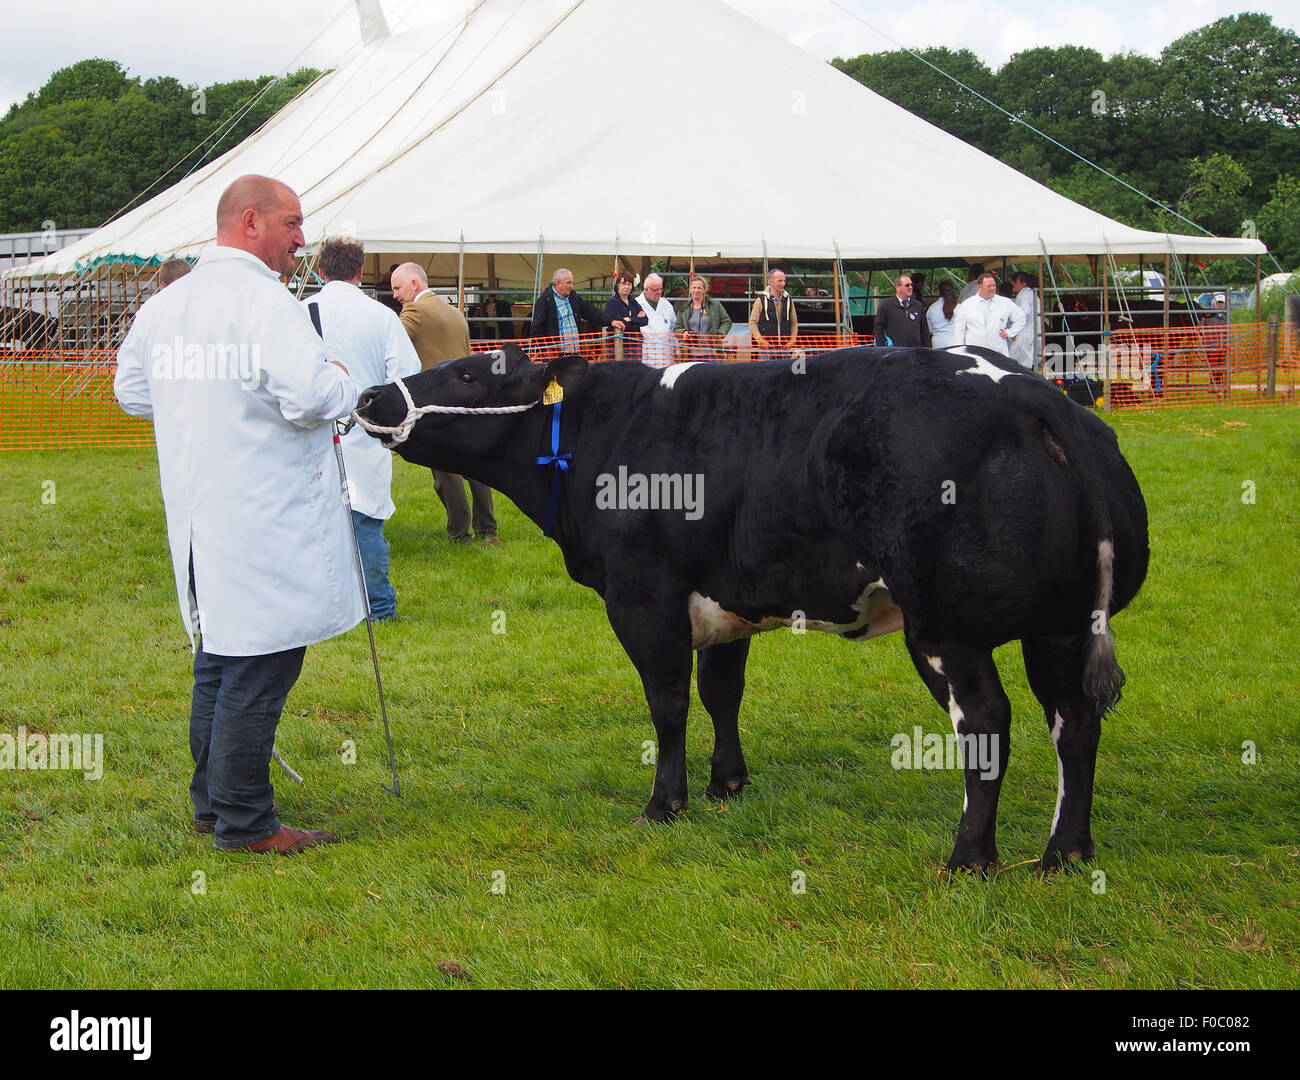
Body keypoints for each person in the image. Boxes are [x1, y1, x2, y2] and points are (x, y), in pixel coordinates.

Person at [114, 174, 362, 855]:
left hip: (201, 516)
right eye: (292, 223)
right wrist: (342, 375)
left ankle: (212, 803)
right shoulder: (263, 300)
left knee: (219, 661)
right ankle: (247, 822)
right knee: (260, 663)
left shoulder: (169, 304)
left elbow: (131, 389)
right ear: (251, 222)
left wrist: (197, 396)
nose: (302, 238)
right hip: (262, 516)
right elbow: (311, 396)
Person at [304, 239, 420, 618]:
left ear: (321, 271)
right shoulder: (381, 316)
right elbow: (406, 378)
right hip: (364, 433)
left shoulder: (298, 312)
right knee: (366, 521)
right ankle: (379, 606)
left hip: (309, 433)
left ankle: (321, 607)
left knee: (312, 524)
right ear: (359, 272)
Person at [391, 261, 499, 546]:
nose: (395, 295)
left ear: (414, 284)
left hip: (435, 403)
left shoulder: (414, 310)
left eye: (397, 287)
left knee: (445, 471)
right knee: (475, 464)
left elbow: (392, 342)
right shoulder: (456, 314)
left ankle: (460, 532)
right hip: (468, 398)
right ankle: (487, 528)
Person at [530, 267, 625, 353]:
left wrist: (610, 321)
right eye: (568, 283)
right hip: (554, 355)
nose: (572, 286)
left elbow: (591, 312)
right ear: (557, 283)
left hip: (574, 352)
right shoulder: (544, 301)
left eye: (572, 282)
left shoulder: (573, 297)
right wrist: (545, 350)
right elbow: (537, 329)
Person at [951, 272, 1028, 357]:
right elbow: (959, 331)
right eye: (989, 286)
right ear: (980, 287)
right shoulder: (967, 304)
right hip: (974, 353)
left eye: (994, 285)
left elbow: (1021, 317)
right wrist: (958, 353)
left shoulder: (1005, 302)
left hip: (998, 351)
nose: (992, 288)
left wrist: (1010, 332)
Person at [674, 275, 732, 360]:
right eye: (694, 288)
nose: (696, 290)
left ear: (704, 290)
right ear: (690, 290)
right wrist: (683, 333)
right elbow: (676, 328)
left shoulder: (715, 305)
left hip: (711, 354)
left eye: (699, 288)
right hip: (689, 356)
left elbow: (727, 321)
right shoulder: (684, 309)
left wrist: (720, 333)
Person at [748, 268, 798, 359]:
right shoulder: (760, 300)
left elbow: (794, 322)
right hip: (766, 349)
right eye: (780, 281)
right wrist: (760, 340)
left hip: (784, 348)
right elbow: (752, 323)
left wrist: (792, 340)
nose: (783, 284)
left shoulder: (789, 300)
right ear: (771, 282)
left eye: (784, 280)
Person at [872, 273, 931, 348]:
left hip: (916, 353)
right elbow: (878, 329)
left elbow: (924, 330)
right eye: (907, 285)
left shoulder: (918, 305)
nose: (910, 287)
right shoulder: (886, 305)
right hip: (896, 353)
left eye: (911, 285)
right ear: (897, 287)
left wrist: (926, 350)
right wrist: (881, 349)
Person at [603, 270, 648, 361]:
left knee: (635, 372)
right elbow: (620, 324)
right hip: (618, 346)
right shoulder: (612, 302)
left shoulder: (633, 301)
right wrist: (636, 321)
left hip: (635, 345)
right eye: (624, 284)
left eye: (629, 284)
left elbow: (645, 320)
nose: (626, 287)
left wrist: (630, 319)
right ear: (618, 285)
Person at [636, 272, 677, 367]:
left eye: (661, 289)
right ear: (646, 289)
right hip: (644, 360)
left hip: (666, 360)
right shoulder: (636, 304)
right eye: (655, 290)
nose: (659, 292)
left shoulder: (667, 305)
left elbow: (674, 329)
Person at [1009, 272, 1040, 371]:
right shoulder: (1031, 293)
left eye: (1015, 281)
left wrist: (1014, 329)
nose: (1013, 284)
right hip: (1033, 333)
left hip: (1025, 334)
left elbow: (1024, 311)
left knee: (1020, 364)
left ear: (1023, 283)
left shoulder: (1024, 294)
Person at [927, 280, 960, 348]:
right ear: (953, 291)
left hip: (938, 344)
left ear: (939, 292)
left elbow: (930, 329)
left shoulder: (932, 309)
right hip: (956, 343)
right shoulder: (960, 307)